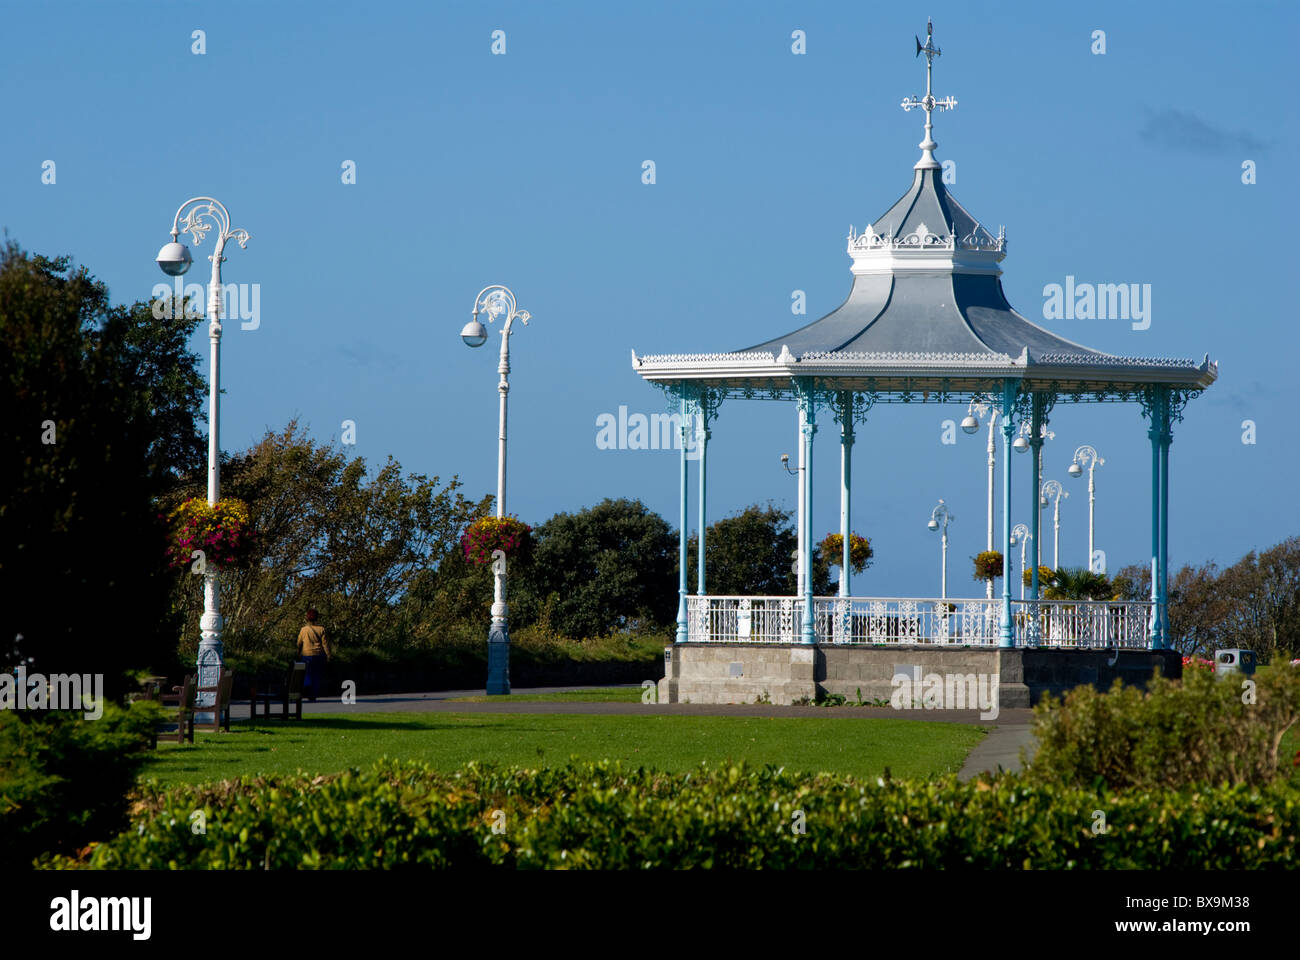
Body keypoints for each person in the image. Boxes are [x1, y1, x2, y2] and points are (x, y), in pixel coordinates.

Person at [296, 608, 332, 701]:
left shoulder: (303, 630)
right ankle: (313, 694)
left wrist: (298, 652)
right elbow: (325, 644)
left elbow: (299, 643)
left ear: (307, 618)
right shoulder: (321, 629)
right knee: (316, 675)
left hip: (306, 654)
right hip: (318, 655)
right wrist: (328, 655)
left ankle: (307, 688)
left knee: (307, 674)